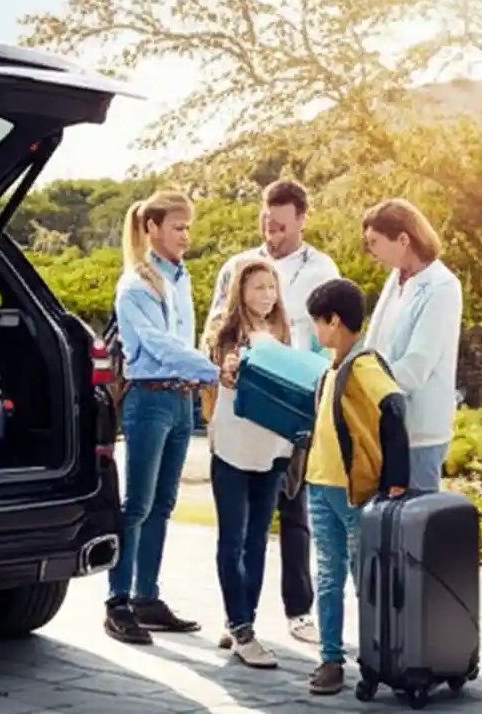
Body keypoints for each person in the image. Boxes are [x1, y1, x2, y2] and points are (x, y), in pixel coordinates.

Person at [208, 179, 339, 645]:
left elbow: (332, 335)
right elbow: (215, 328)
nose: (272, 233)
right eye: (266, 222)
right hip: (245, 409)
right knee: (244, 527)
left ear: (303, 219)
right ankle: (238, 617)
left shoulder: (322, 268)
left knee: (294, 511)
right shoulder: (239, 268)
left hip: (296, 403)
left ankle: (298, 610)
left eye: (282, 225)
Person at [105, 190, 220, 645]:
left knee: (163, 504)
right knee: (137, 506)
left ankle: (146, 598)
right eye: (178, 227)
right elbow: (157, 345)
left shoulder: (180, 278)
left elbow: (184, 342)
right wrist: (213, 371)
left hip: (179, 400)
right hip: (149, 400)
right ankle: (117, 602)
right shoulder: (135, 284)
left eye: (188, 227)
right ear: (152, 228)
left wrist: (201, 378)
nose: (186, 236)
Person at [302, 278, 410, 695]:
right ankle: (331, 659)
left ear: (335, 321)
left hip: (351, 493)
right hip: (319, 488)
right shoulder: (330, 367)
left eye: (318, 322)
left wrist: (396, 480)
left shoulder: (363, 364)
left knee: (363, 577)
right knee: (328, 578)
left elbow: (394, 407)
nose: (316, 330)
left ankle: (382, 658)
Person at [199, 258, 294, 668]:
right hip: (233, 448)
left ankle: (241, 622)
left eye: (271, 287)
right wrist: (228, 369)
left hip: (271, 448)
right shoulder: (227, 332)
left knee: (257, 540)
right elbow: (223, 376)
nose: (267, 295)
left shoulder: (284, 332)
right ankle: (241, 627)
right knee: (232, 539)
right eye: (258, 287)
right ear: (240, 290)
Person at [361, 198, 464, 492]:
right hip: (386, 423)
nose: (372, 253)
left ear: (403, 239)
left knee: (417, 527)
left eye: (375, 243)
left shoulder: (443, 287)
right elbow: (374, 341)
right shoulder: (396, 279)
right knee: (385, 526)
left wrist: (365, 381)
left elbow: (417, 365)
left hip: (420, 431)